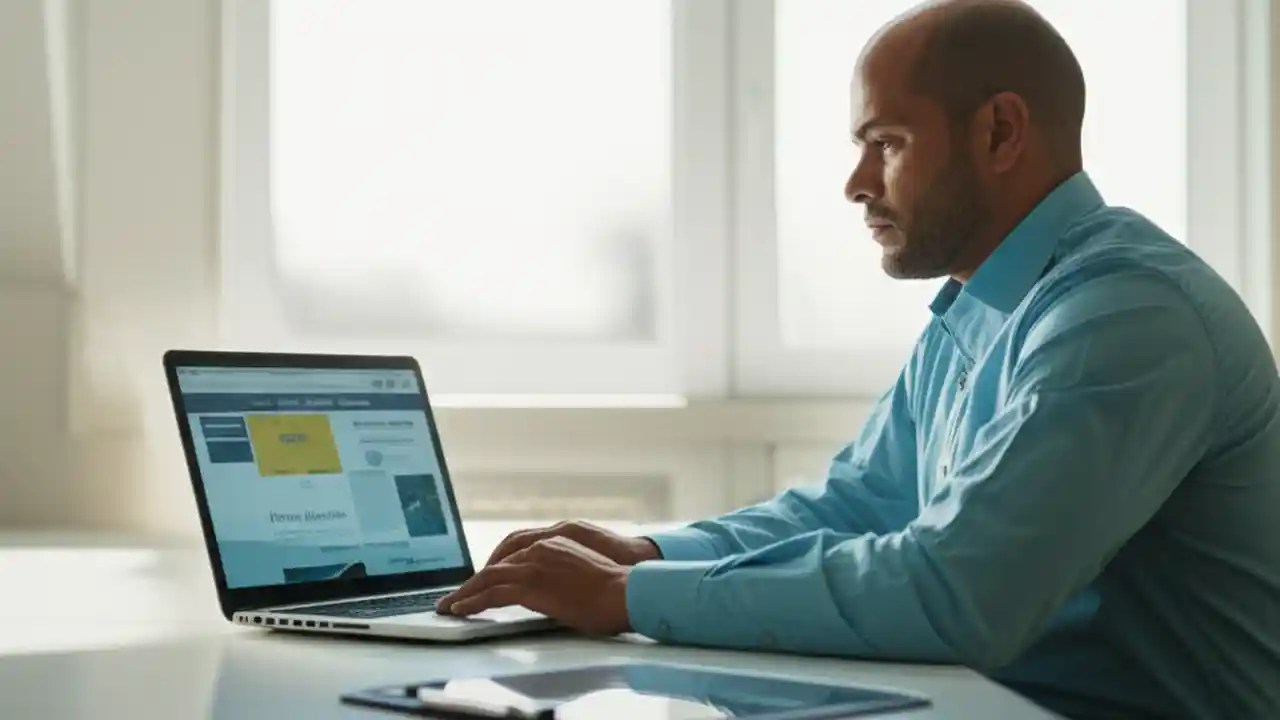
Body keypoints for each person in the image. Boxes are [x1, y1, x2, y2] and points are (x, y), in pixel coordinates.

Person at [438, 0, 1280, 716]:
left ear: (1000, 131)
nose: (855, 182)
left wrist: (625, 599)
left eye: (887, 143)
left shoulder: (1128, 316)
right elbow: (859, 501)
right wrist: (651, 555)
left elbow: (957, 592)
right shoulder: (986, 306)